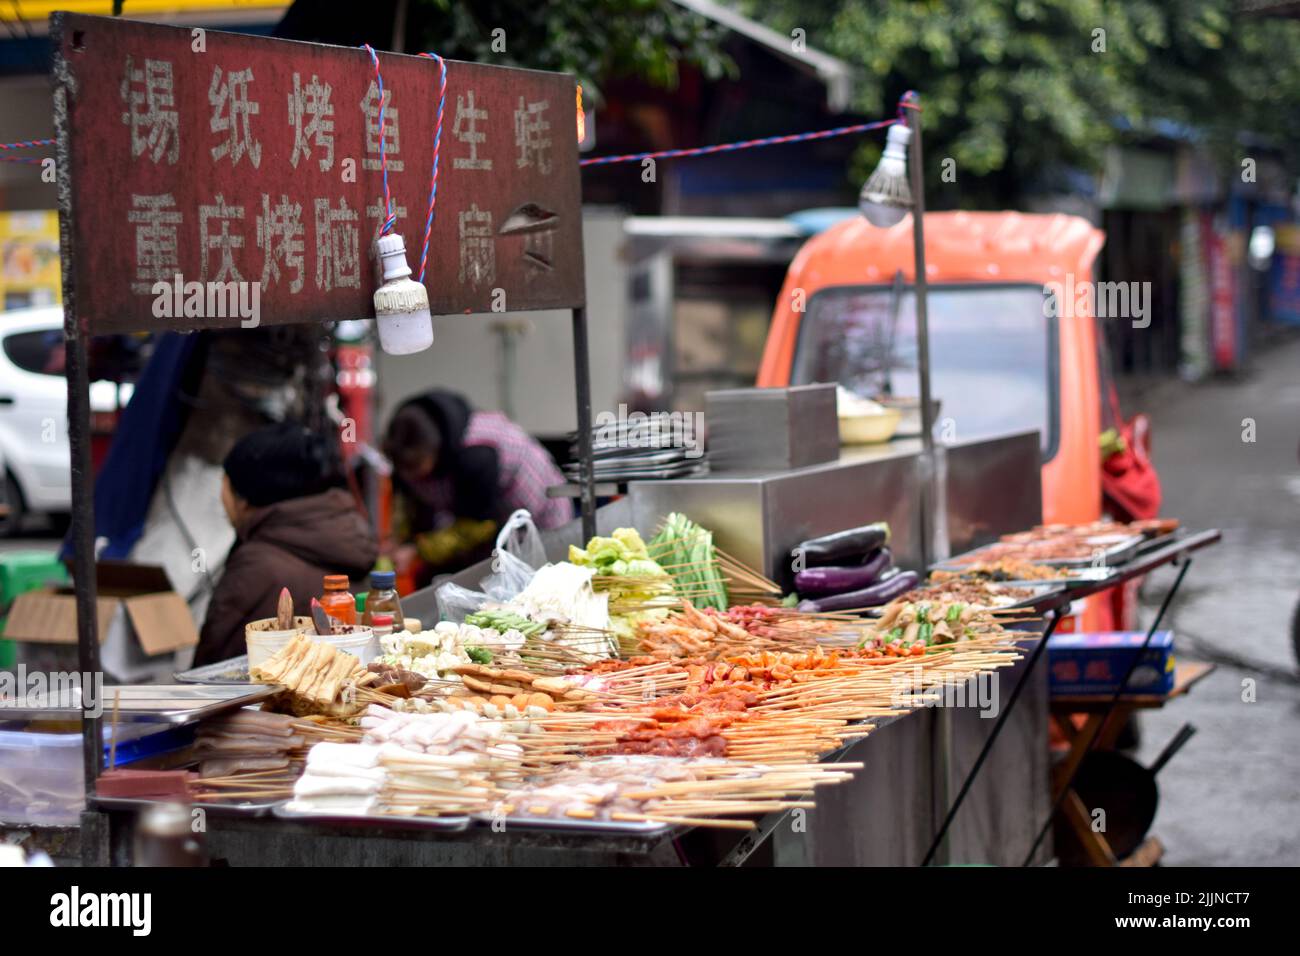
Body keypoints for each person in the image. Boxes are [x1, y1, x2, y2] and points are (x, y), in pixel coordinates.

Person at [194, 422, 379, 666]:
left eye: (224, 481)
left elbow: (210, 672)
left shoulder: (256, 565)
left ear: (244, 496)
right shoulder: (347, 537)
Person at [383, 389, 571, 585]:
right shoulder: (405, 447)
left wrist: (418, 550)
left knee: (535, 582)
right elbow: (409, 500)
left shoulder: (476, 455)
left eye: (415, 468)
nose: (411, 476)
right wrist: (401, 540)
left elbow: (476, 527)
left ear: (434, 451)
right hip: (485, 521)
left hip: (534, 514)